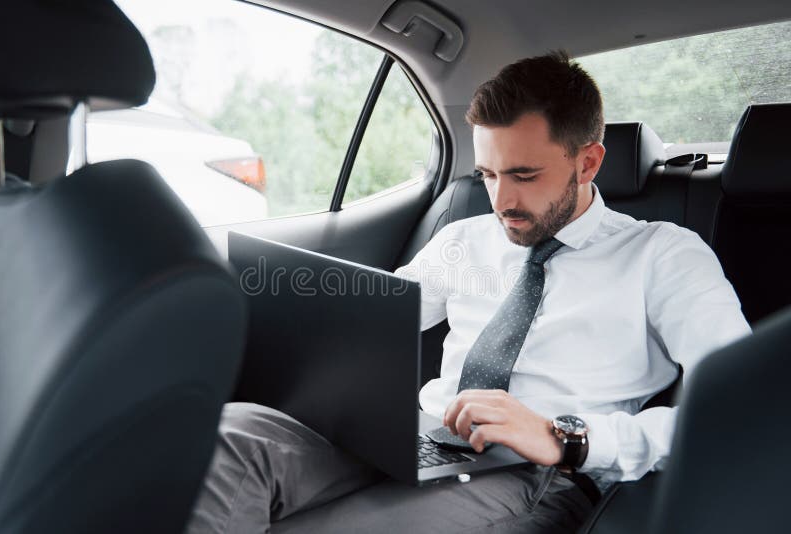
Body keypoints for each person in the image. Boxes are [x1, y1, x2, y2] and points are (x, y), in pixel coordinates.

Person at [186, 51, 750, 533]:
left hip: (536, 469)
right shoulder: (464, 238)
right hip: (417, 432)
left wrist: (564, 436)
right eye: (487, 174)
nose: (500, 199)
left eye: (524, 175)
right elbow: (374, 324)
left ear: (588, 162)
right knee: (222, 438)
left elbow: (741, 404)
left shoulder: (663, 255)